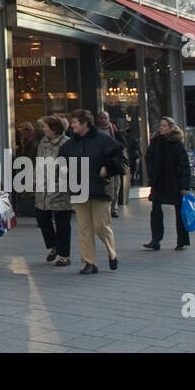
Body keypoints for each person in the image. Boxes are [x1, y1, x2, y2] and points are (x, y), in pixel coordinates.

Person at [62, 109, 123, 274]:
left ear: (84, 124)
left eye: (75, 122)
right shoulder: (70, 144)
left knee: (101, 226)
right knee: (84, 227)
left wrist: (107, 167)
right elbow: (62, 159)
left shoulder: (103, 139)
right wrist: (64, 167)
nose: (72, 125)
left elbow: (120, 158)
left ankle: (112, 253)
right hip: (78, 189)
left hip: (99, 188)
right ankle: (90, 262)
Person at [142, 117, 192, 251]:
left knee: (179, 212)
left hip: (174, 182)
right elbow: (149, 157)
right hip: (159, 182)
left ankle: (182, 241)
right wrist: (152, 173)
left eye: (164, 126)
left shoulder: (177, 144)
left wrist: (185, 186)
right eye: (160, 125)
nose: (161, 128)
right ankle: (155, 240)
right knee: (155, 211)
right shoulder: (156, 141)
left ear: (171, 128)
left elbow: (184, 166)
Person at [34, 116, 73, 265]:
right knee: (42, 218)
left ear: (54, 129)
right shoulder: (43, 142)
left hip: (60, 188)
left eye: (46, 127)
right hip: (42, 187)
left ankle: (64, 255)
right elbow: (38, 161)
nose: (44, 129)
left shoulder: (67, 143)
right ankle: (54, 245)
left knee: (62, 222)